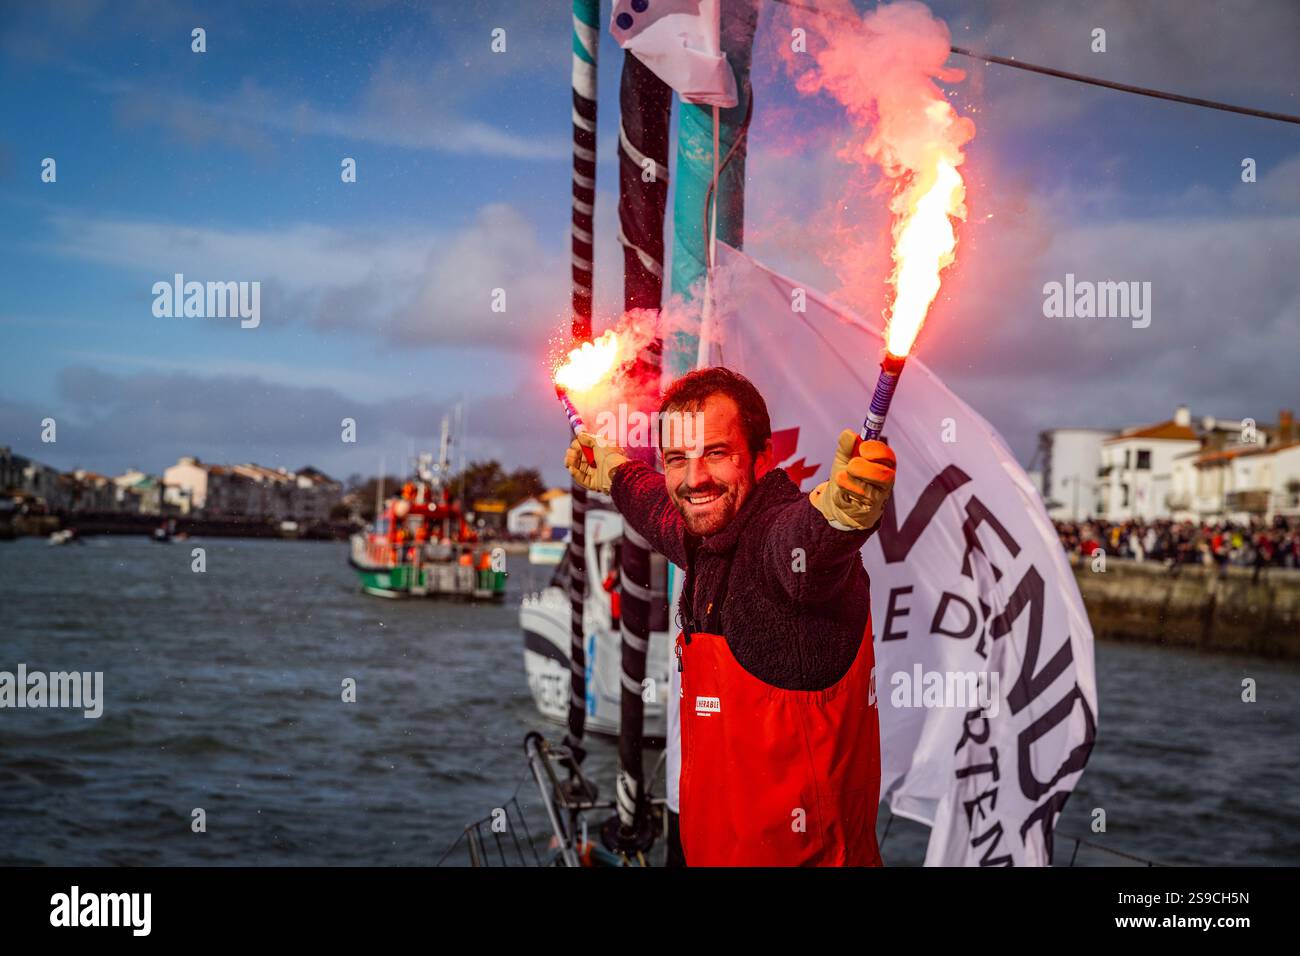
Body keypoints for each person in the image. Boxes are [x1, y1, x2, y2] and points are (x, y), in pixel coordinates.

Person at [564, 367, 896, 866]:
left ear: (764, 456)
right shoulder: (705, 535)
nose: (694, 479)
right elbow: (657, 505)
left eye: (715, 454)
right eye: (677, 459)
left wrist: (839, 518)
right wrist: (614, 471)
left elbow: (806, 547)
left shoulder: (779, 543)